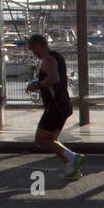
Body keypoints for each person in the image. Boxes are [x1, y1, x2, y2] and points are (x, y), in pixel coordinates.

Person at [25, 34, 84, 181]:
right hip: (63, 105)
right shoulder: (57, 56)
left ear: (40, 45)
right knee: (52, 140)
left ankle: (73, 157)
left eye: (34, 50)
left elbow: (54, 78)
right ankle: (71, 169)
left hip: (55, 107)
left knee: (41, 140)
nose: (34, 53)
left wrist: (37, 84)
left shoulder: (48, 59)